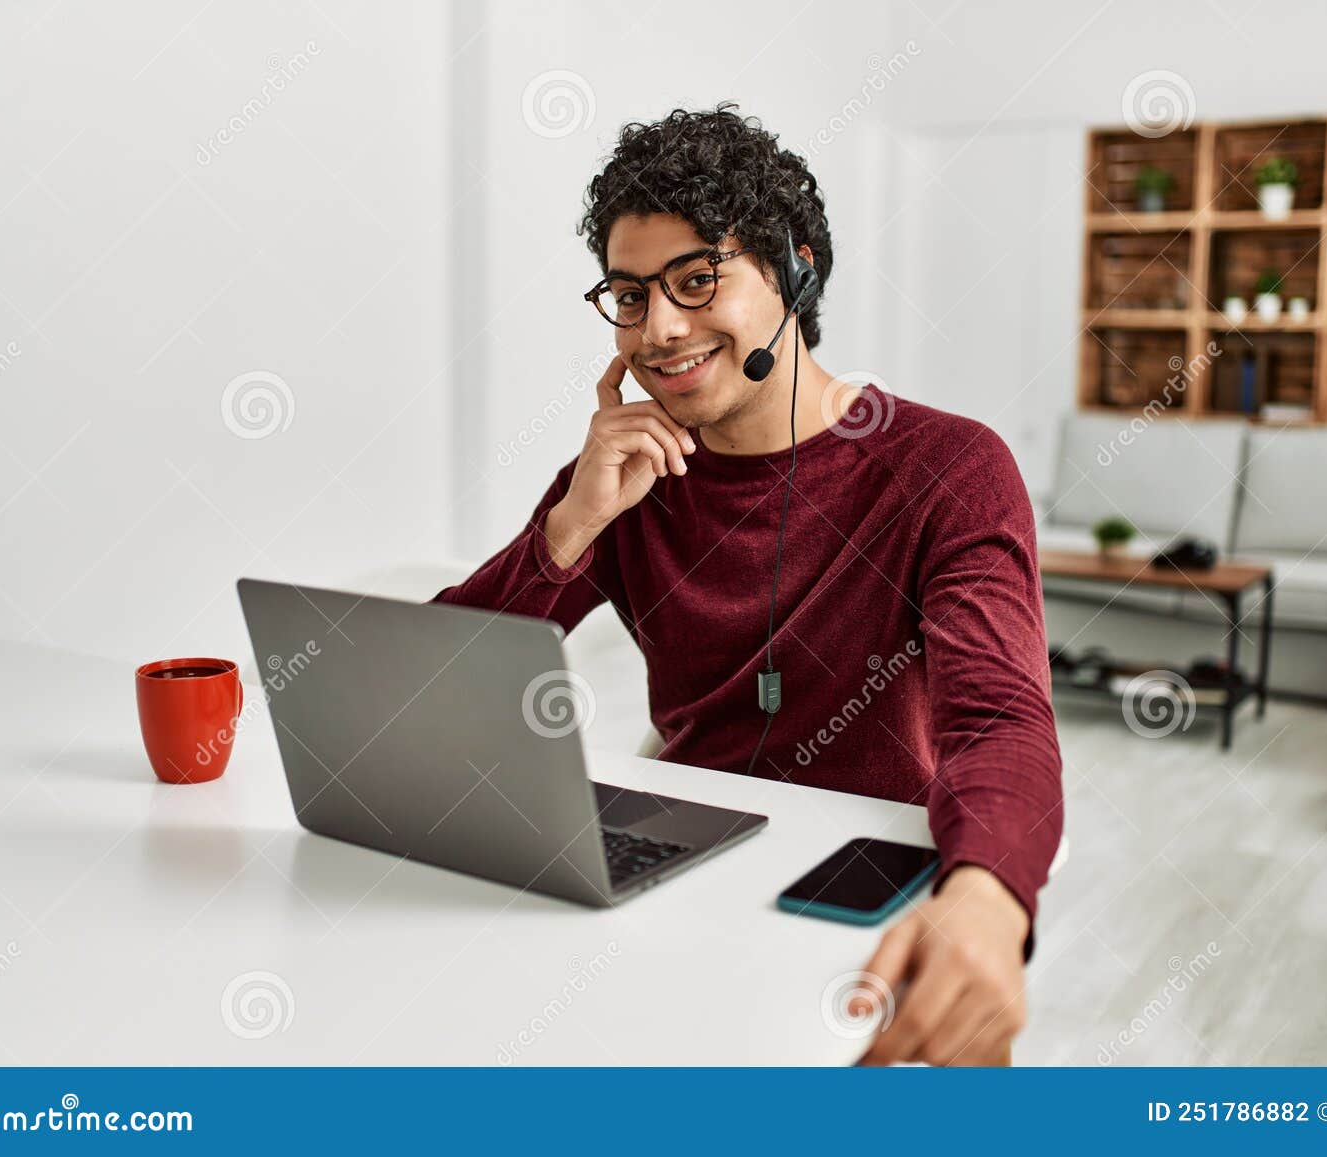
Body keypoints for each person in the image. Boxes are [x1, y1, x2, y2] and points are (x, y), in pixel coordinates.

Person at [434, 103, 1062, 1066]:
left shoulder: (949, 467)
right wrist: (569, 527)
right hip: (675, 880)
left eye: (697, 280)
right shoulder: (623, 474)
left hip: (866, 886)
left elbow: (1001, 723)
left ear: (796, 271)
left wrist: (984, 895)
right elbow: (427, 688)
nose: (661, 329)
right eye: (631, 295)